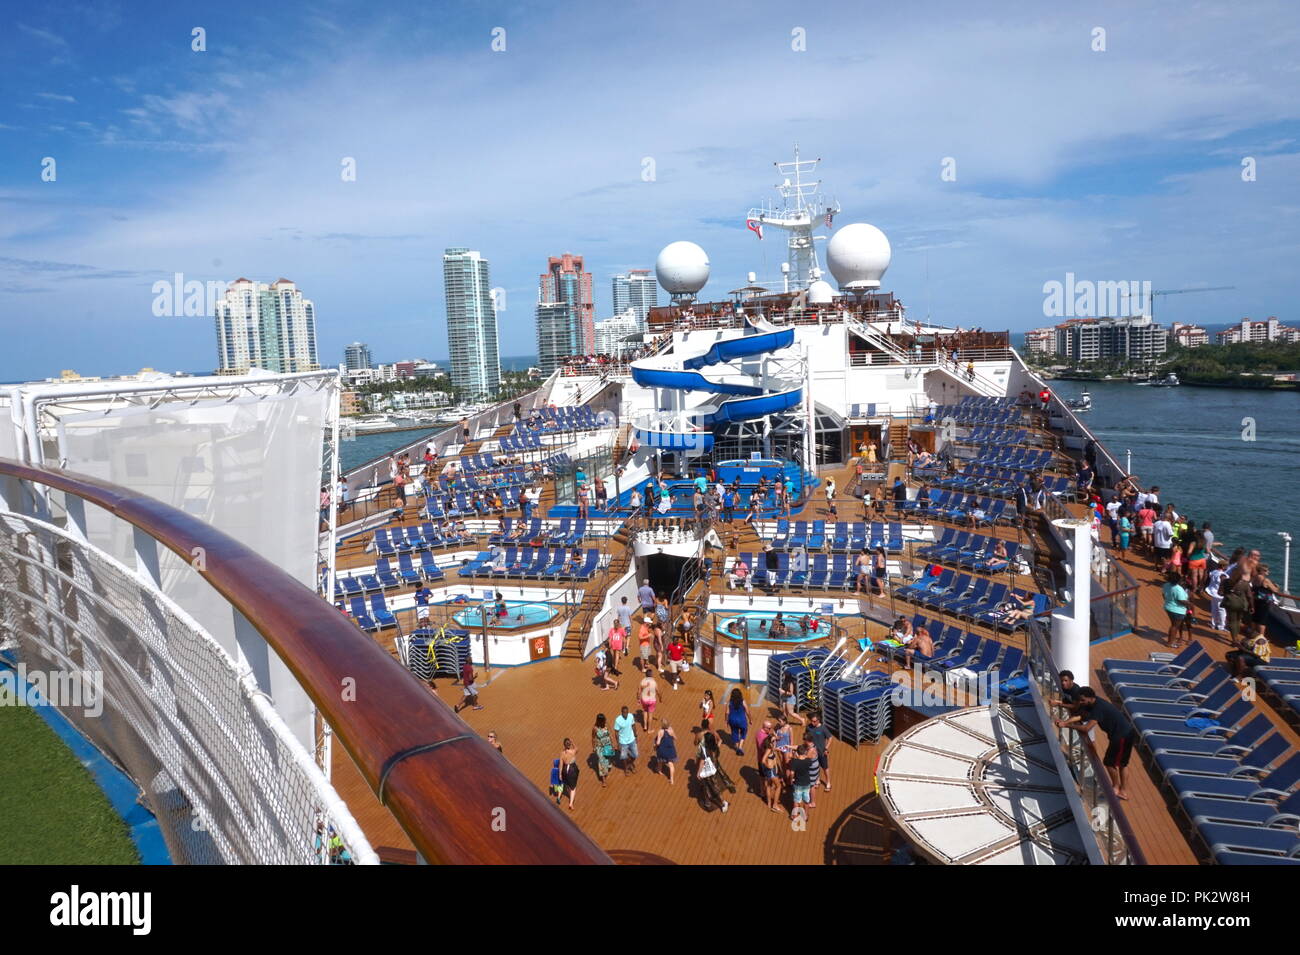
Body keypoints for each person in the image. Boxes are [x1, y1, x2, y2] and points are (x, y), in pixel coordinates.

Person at [1055, 687, 1136, 800]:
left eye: (1083, 700)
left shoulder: (1098, 708)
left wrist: (1067, 725)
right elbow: (1081, 716)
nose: (1081, 702)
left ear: (1090, 698)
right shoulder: (1093, 704)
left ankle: (1116, 788)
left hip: (1121, 736)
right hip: (1125, 733)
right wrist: (1065, 722)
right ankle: (1123, 791)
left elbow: (1086, 728)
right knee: (1122, 763)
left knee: (1109, 762)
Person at [694, 731, 730, 814]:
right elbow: (719, 743)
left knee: (713, 788)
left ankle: (723, 802)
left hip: (708, 773)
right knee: (711, 787)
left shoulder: (705, 751)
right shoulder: (715, 747)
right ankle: (708, 800)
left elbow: (701, 763)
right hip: (714, 769)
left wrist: (698, 772)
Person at [804, 712, 832, 792]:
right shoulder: (809, 727)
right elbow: (806, 737)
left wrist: (826, 748)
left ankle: (828, 782)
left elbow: (830, 738)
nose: (812, 723)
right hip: (812, 752)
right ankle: (817, 780)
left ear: (818, 720)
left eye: (814, 721)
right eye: (811, 721)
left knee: (825, 767)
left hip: (821, 752)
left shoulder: (823, 728)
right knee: (815, 766)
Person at [1161, 570, 1189, 649]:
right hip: (1177, 611)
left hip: (1168, 608)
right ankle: (1170, 643)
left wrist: (1168, 601)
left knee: (1173, 625)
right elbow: (1182, 600)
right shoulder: (1178, 589)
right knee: (1174, 626)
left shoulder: (1166, 585)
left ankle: (1170, 641)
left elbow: (1163, 594)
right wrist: (1190, 604)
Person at [788, 742, 816, 819]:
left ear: (797, 752)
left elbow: (791, 773)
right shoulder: (808, 761)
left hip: (798, 784)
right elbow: (810, 758)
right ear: (804, 752)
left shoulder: (795, 762)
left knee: (796, 801)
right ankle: (806, 815)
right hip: (807, 783)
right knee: (806, 801)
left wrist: (791, 780)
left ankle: (794, 815)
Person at [613, 705, 638, 775]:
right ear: (621, 712)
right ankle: (626, 769)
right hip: (623, 742)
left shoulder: (631, 717)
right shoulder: (618, 720)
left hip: (631, 739)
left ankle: (630, 764)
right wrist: (618, 743)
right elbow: (616, 732)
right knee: (624, 757)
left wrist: (636, 736)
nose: (625, 714)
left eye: (626, 712)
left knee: (635, 755)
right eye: (624, 713)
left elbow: (633, 726)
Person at [591, 714, 614, 786]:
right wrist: (594, 747)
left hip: (608, 745)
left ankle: (607, 768)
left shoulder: (606, 725)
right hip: (600, 747)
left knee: (607, 760)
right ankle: (603, 780)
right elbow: (593, 738)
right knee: (601, 762)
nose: (604, 722)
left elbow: (610, 734)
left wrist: (612, 745)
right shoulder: (595, 728)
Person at [654, 720, 679, 785]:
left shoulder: (660, 731)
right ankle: (672, 779)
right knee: (671, 765)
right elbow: (675, 738)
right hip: (670, 749)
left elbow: (658, 743)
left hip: (662, 749)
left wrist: (655, 746)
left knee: (660, 760)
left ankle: (659, 770)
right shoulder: (671, 730)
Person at [760, 738, 782, 812]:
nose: (775, 741)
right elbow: (763, 760)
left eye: (775, 740)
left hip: (768, 771)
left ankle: (769, 803)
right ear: (769, 743)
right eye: (773, 741)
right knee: (778, 786)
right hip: (771, 771)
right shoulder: (769, 750)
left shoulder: (770, 748)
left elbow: (774, 749)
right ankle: (775, 805)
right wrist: (768, 765)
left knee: (768, 785)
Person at [726, 687, 749, 755]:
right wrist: (750, 719)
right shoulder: (742, 701)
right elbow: (747, 711)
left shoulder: (729, 703)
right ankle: (740, 747)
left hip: (732, 720)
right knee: (743, 732)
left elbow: (727, 712)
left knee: (734, 732)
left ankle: (736, 746)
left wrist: (726, 720)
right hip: (742, 720)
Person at [638, 667, 659, 732]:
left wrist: (638, 699)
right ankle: (649, 730)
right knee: (650, 715)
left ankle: (645, 726)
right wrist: (660, 697)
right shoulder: (654, 682)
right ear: (651, 675)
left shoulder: (642, 681)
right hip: (652, 700)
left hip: (644, 699)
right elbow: (658, 691)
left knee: (645, 711)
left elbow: (639, 691)